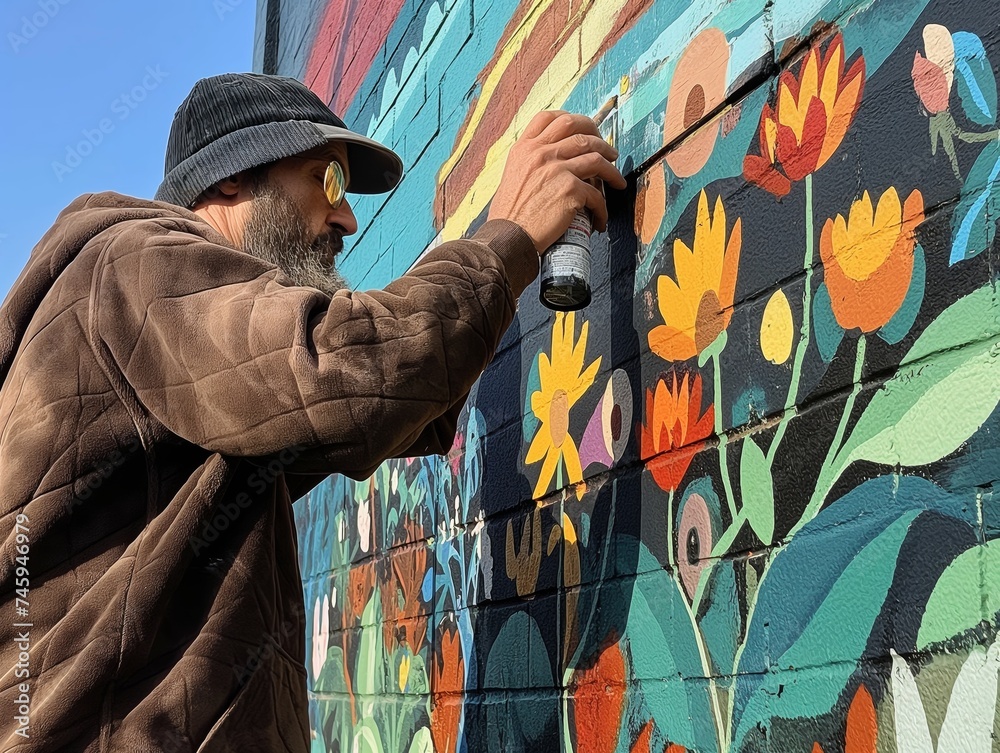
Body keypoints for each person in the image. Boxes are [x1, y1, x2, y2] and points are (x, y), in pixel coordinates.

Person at [0, 72, 624, 751]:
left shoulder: (174, 360)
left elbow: (384, 407)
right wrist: (507, 237)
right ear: (231, 177)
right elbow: (346, 369)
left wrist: (489, 278)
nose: (347, 219)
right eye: (326, 181)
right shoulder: (134, 264)